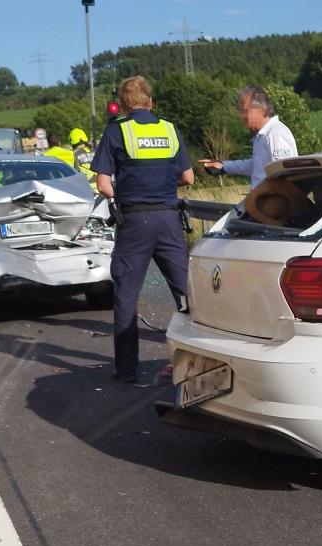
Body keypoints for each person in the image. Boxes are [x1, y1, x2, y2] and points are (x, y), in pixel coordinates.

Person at [90, 75, 195, 384]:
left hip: (135, 222)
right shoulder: (170, 130)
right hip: (169, 219)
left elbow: (103, 184)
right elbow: (188, 177)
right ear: (150, 101)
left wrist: (128, 193)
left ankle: (126, 370)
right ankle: (197, 361)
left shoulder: (117, 131)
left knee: (127, 295)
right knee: (187, 293)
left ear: (123, 105)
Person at [198, 86, 298, 189]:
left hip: (271, 198)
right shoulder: (264, 135)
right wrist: (223, 166)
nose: (241, 116)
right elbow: (256, 166)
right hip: (263, 197)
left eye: (245, 111)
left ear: (261, 110)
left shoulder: (276, 134)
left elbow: (284, 172)